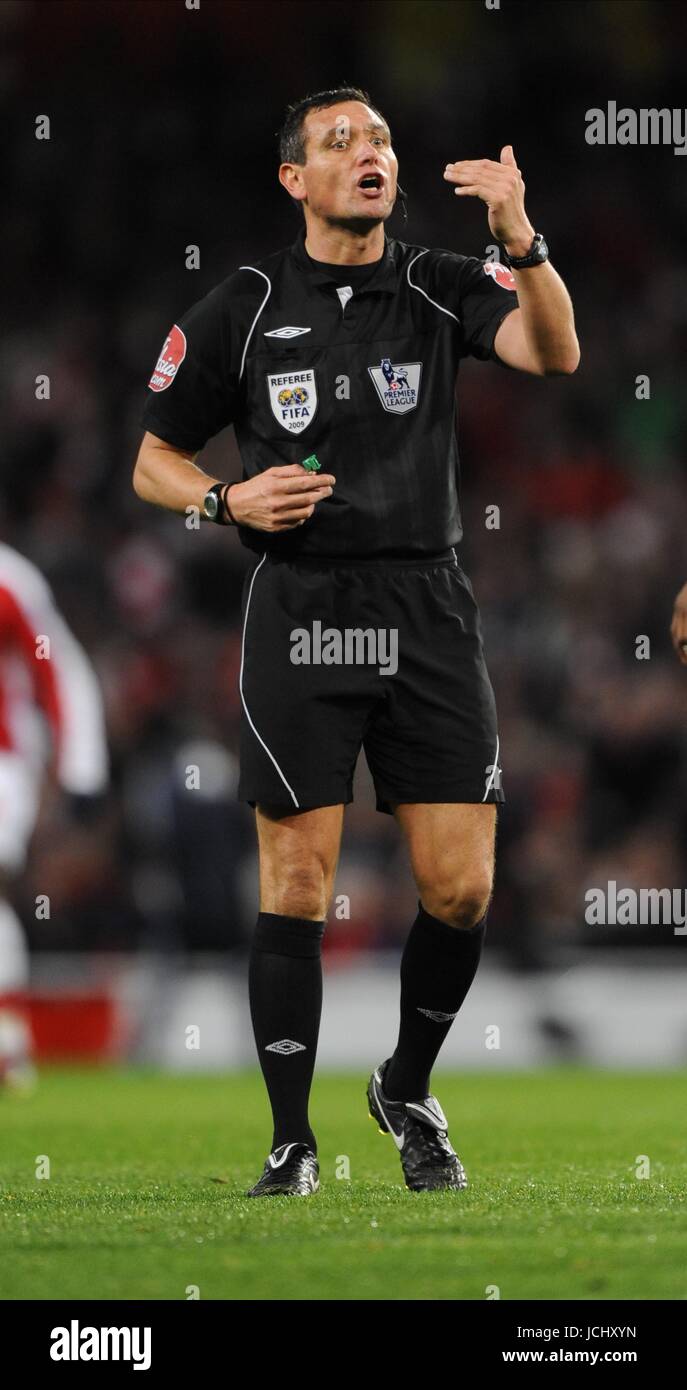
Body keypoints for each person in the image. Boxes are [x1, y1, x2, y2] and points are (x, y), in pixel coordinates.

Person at [134, 86, 579, 1195]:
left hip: (427, 605)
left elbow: (554, 350)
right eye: (340, 142)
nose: (369, 153)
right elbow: (154, 460)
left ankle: (405, 1083)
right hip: (301, 606)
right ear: (294, 178)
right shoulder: (244, 303)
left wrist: (521, 237)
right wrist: (225, 503)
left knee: (462, 886)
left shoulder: (435, 281)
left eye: (380, 137)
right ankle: (291, 1141)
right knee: (295, 880)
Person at [0, 543, 109, 1089]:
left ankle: (7, 1041)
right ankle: (9, 1038)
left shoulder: (10, 579)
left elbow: (58, 666)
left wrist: (81, 768)